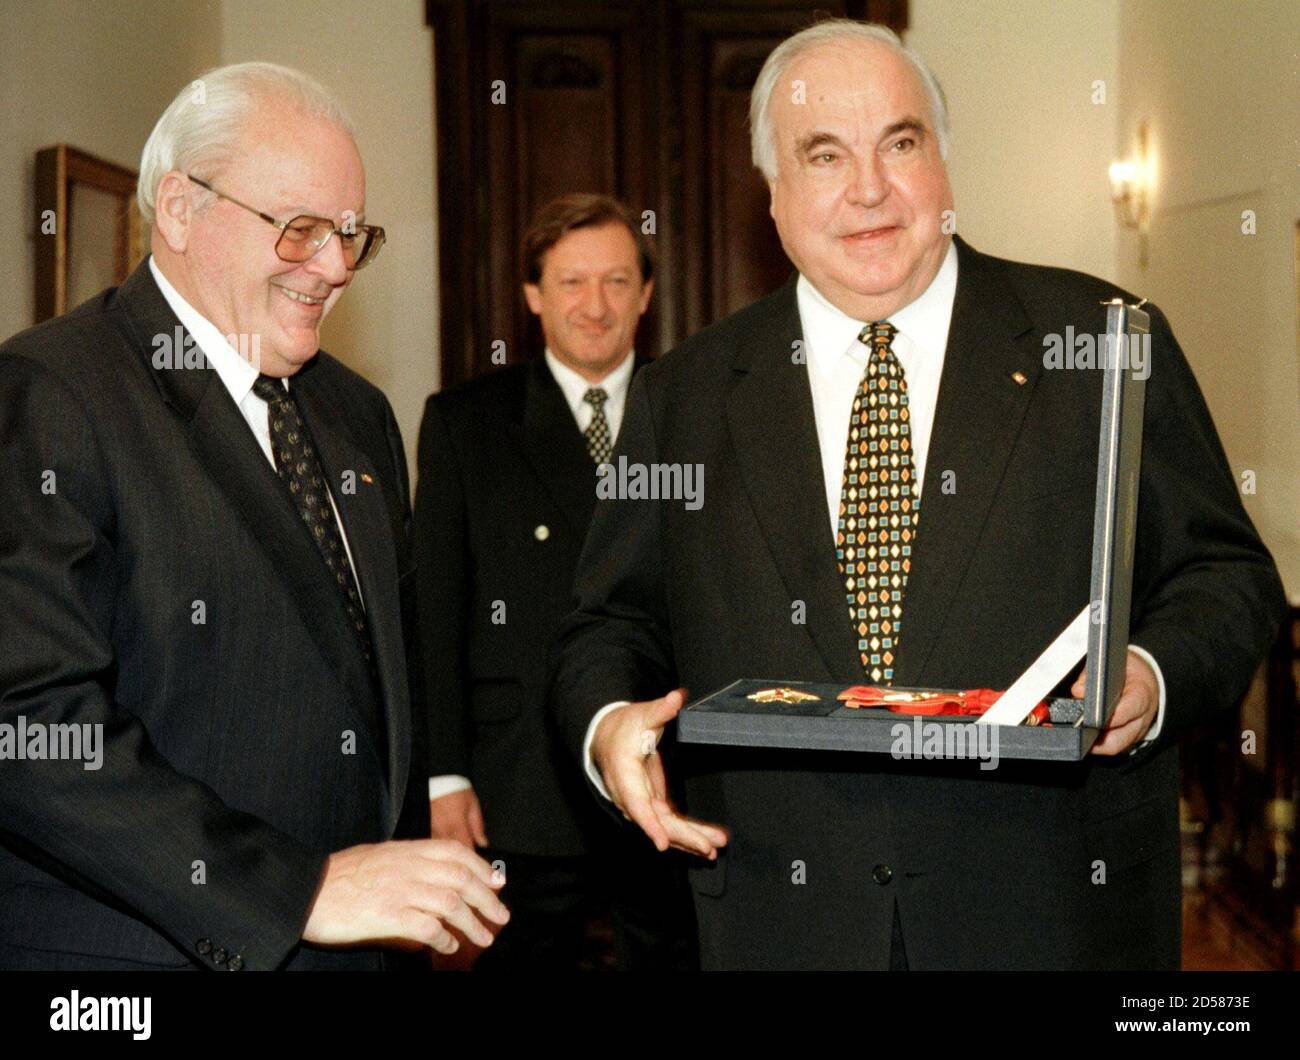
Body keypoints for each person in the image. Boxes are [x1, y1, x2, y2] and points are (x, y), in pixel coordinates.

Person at [550, 21, 1287, 970]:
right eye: (824, 155)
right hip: (783, 923)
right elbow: (604, 625)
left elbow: (1226, 573)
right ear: (772, 196)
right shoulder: (683, 397)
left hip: (1052, 920)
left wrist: (1147, 671)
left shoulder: (1102, 342)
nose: (868, 189)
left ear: (943, 162)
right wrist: (610, 727)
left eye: (900, 142)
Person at [0, 62, 507, 970]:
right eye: (303, 229)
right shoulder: (53, 394)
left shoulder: (357, 415)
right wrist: (295, 889)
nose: (337, 267)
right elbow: (33, 725)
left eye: (354, 234)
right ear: (180, 209)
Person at [415, 194, 695, 969]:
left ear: (645, 294)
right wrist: (443, 777)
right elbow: (436, 612)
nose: (595, 305)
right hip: (519, 782)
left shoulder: (699, 411)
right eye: (571, 283)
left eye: (616, 281)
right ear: (533, 295)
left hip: (670, 772)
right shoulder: (465, 423)